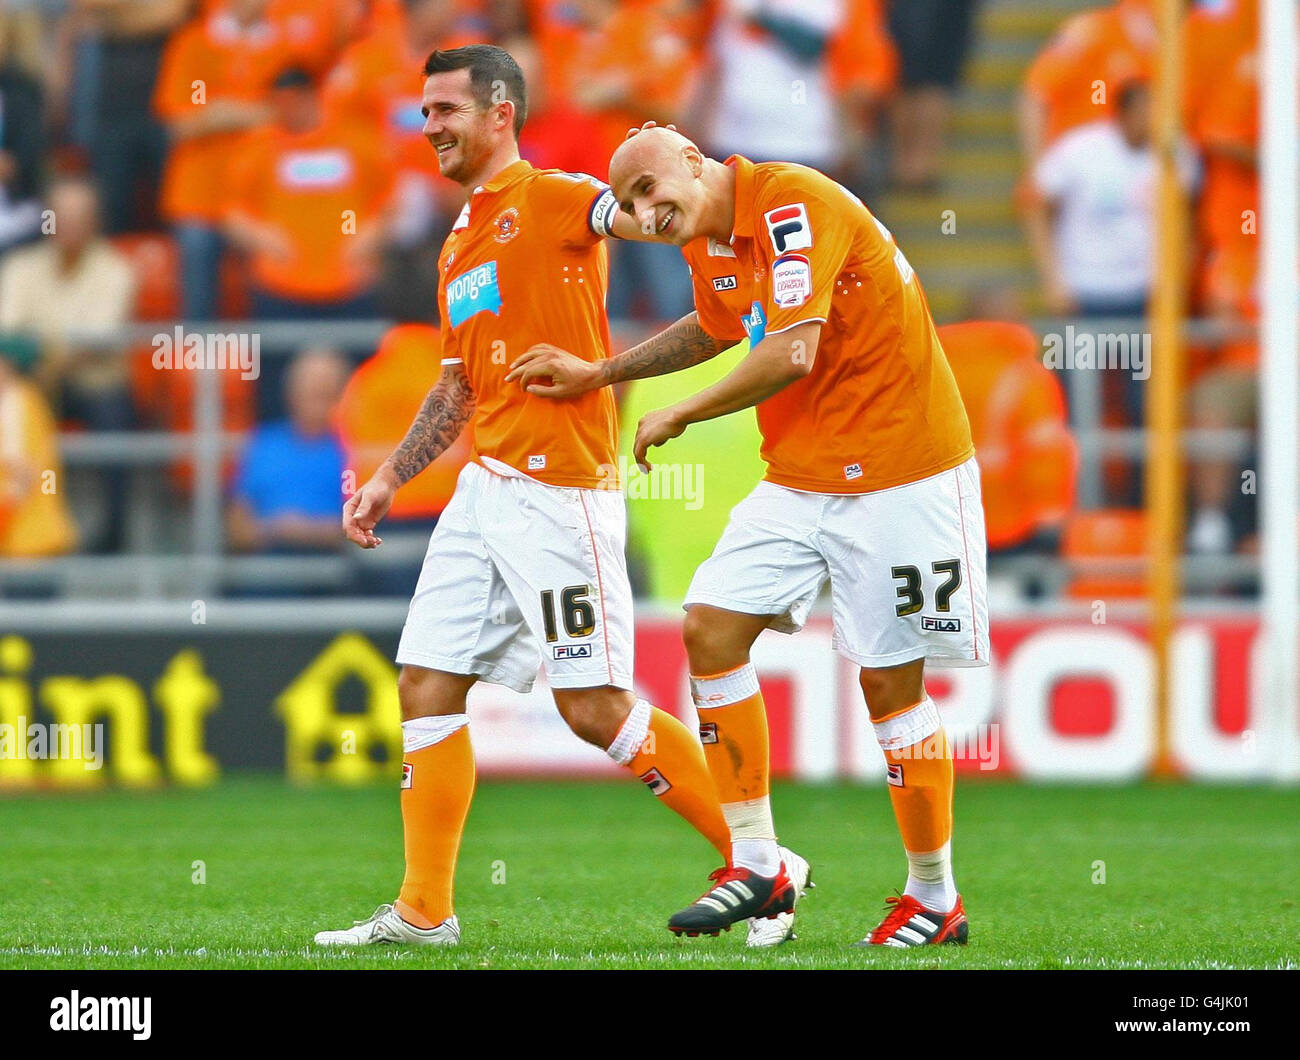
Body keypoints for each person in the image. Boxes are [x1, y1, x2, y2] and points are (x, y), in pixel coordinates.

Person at [509, 124, 987, 946]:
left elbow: (794, 351)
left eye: (652, 189)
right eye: (628, 204)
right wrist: (605, 372)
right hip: (802, 473)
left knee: (889, 690)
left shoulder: (793, 201)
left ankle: (935, 896)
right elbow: (717, 326)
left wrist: (682, 411)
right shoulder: (709, 243)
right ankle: (760, 862)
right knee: (711, 626)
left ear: (694, 161)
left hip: (905, 470)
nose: (646, 212)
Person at [314, 45, 740, 950]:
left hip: (560, 491)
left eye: (445, 111)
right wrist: (391, 476)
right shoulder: (460, 239)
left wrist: (678, 195)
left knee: (592, 707)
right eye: (424, 112)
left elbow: (633, 214)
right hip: (485, 486)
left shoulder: (556, 198)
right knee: (425, 683)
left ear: (500, 112)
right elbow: (457, 383)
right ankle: (426, 911)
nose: (429, 127)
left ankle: (759, 859)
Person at [0, 174, 137, 553]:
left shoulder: (117, 269)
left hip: (94, 385)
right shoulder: (20, 267)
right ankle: (23, 529)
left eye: (80, 217)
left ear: (95, 222)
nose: (69, 225)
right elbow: (6, 334)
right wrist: (42, 355)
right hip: (34, 385)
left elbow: (97, 341)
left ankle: (113, 534)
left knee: (113, 416)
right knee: (15, 406)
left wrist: (39, 352)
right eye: (61, 216)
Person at [226, 348, 350, 558]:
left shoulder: (353, 449)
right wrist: (276, 529)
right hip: (269, 560)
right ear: (292, 394)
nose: (319, 406)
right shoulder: (263, 445)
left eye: (327, 395)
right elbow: (236, 527)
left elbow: (368, 524)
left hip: (335, 562)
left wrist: (314, 531)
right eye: (312, 394)